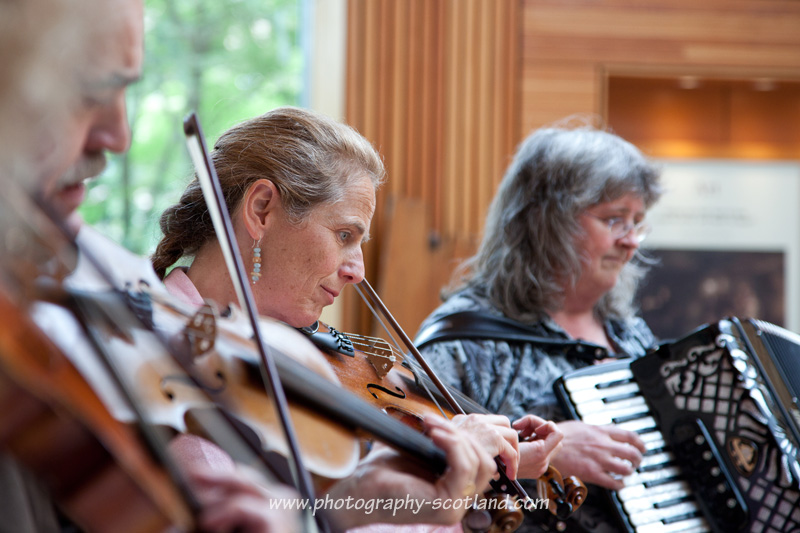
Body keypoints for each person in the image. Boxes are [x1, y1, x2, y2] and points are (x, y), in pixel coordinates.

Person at [151, 106, 565, 530]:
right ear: (261, 210)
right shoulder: (169, 368)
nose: (357, 269)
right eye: (345, 235)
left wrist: (461, 472)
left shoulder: (289, 352)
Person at [413, 122, 663, 532]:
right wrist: (539, 454)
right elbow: (406, 472)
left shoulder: (631, 334)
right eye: (615, 220)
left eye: (637, 222)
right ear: (548, 223)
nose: (632, 241)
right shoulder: (464, 340)